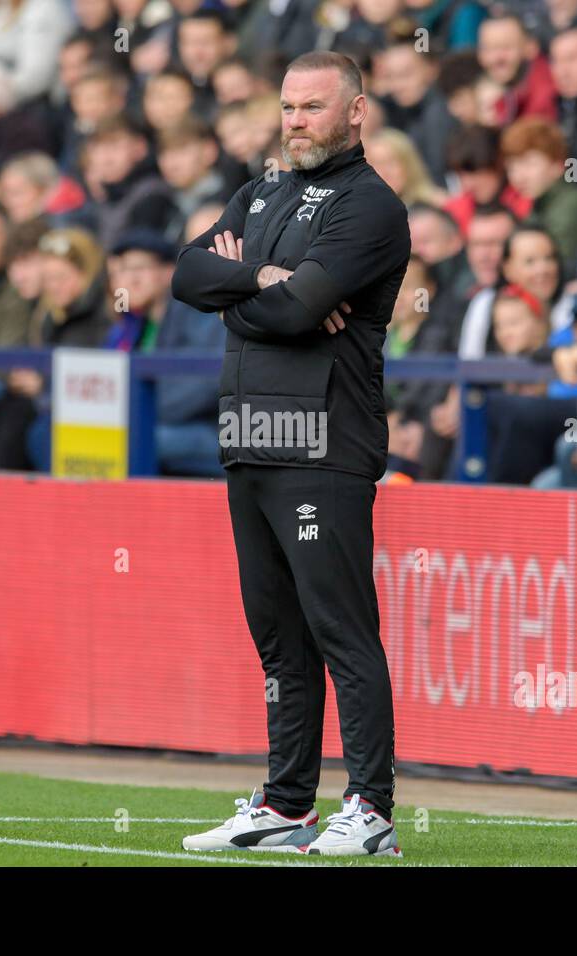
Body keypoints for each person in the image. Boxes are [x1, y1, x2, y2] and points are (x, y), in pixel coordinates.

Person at [171, 51, 408, 857]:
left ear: (355, 112)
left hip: (325, 444)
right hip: (250, 440)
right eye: (288, 106)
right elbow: (185, 274)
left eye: (312, 107)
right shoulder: (262, 188)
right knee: (277, 635)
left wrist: (250, 286)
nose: (296, 121)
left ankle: (371, 807)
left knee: (341, 628)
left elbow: (301, 310)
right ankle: (286, 802)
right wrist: (262, 278)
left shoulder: (371, 207)